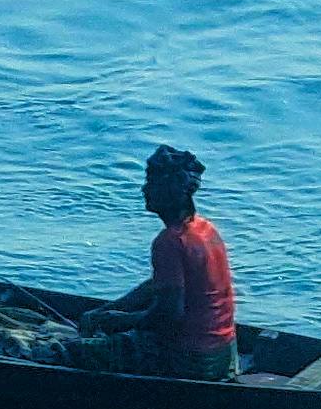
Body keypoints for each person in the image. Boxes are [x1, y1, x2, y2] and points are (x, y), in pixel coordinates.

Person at [72, 145, 239, 379]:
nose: (144, 189)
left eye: (151, 184)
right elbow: (158, 286)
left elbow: (169, 313)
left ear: (169, 191)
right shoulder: (205, 228)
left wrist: (121, 321)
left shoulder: (169, 241)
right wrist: (107, 311)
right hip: (224, 353)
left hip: (191, 361)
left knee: (70, 352)